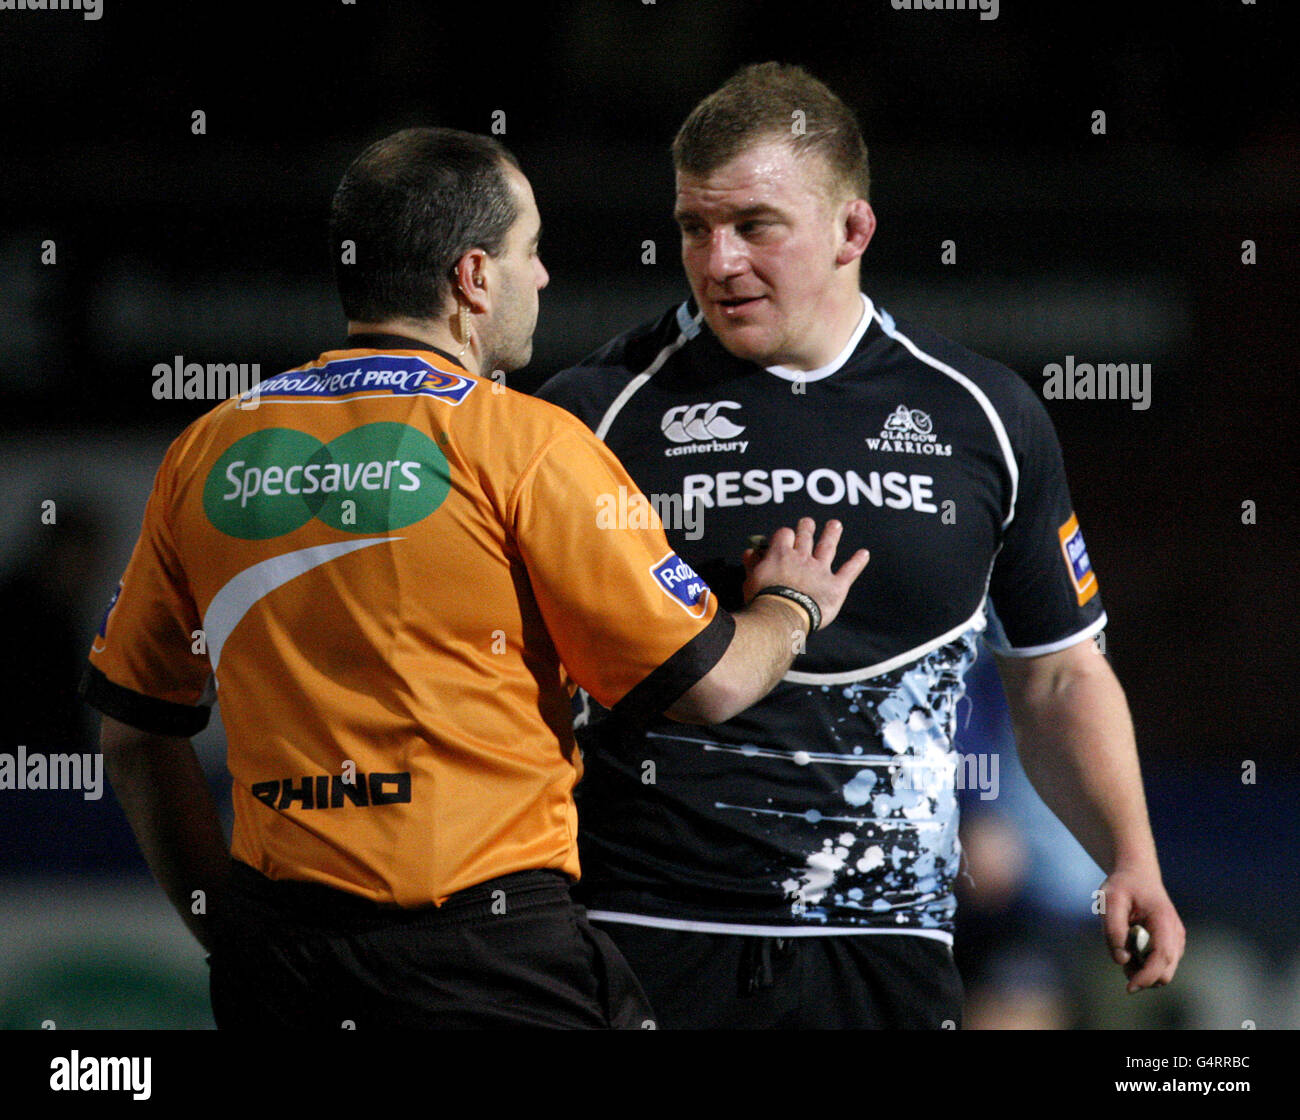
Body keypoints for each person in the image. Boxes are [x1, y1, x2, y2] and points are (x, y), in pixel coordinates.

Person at [79, 126, 869, 1029]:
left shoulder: (210, 449)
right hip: (490, 957)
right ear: (471, 278)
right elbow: (712, 680)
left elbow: (135, 737)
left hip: (282, 961)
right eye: (529, 252)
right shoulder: (522, 444)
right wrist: (791, 605)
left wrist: (231, 928)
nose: (540, 277)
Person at [536, 63, 1186, 1029]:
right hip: (642, 935)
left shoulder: (987, 417)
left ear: (853, 229)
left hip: (886, 948)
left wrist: (1130, 858)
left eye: (754, 226)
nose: (717, 263)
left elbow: (1058, 677)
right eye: (692, 228)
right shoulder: (590, 417)